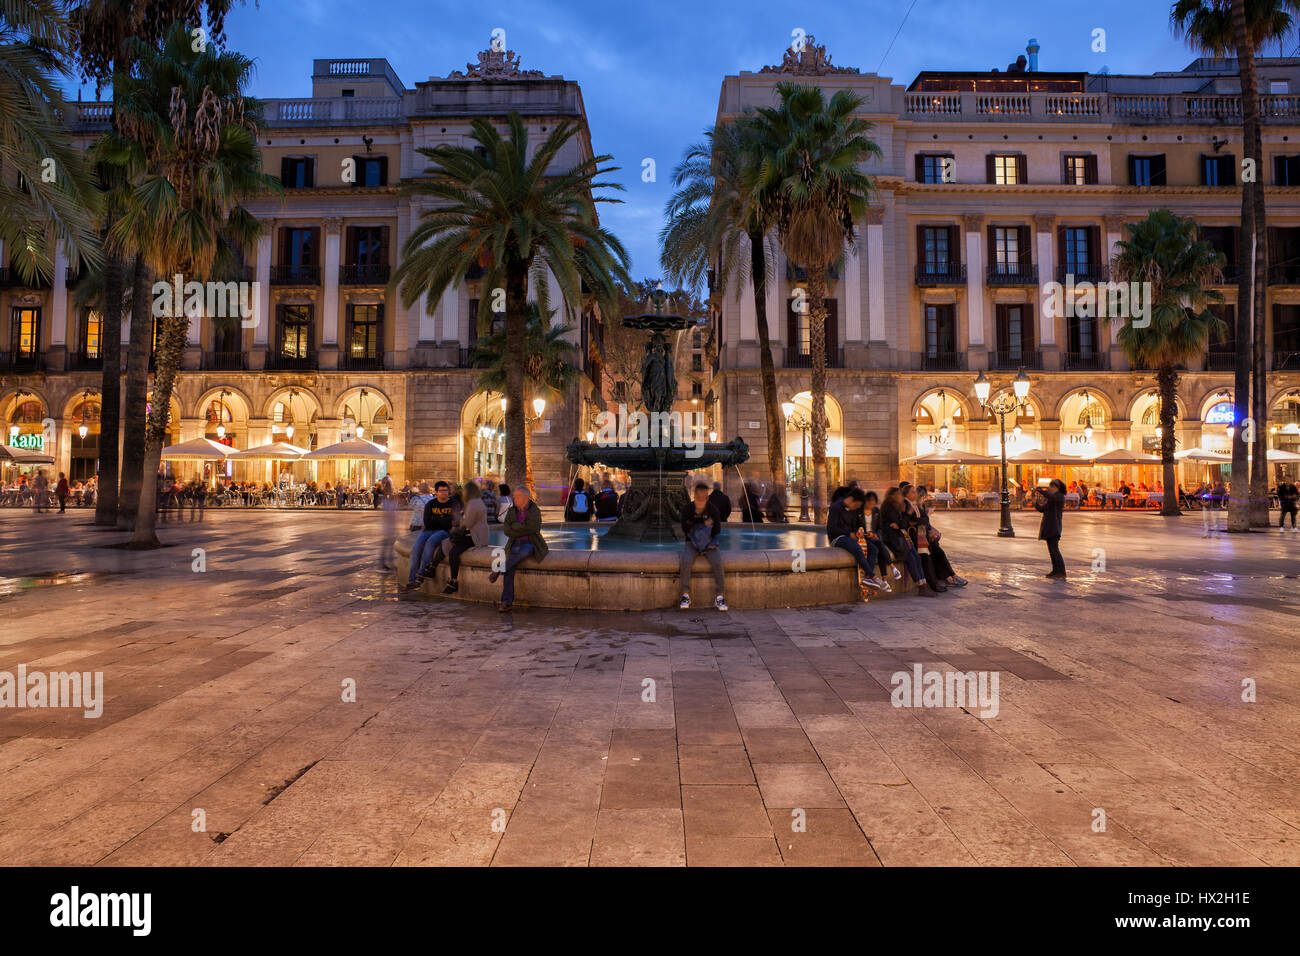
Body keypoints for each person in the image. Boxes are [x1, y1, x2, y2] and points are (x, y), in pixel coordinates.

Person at [492, 486, 548, 612]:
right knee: (510, 567)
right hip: (514, 543)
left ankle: (500, 569)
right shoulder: (512, 511)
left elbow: (533, 528)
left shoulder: (534, 510)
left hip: (531, 543)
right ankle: (506, 602)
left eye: (517, 496)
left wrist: (515, 527)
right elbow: (506, 529)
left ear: (525, 498)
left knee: (524, 552)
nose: (514, 498)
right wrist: (520, 528)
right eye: (514, 496)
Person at [430, 480, 490, 592]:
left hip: (475, 536)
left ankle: (453, 581)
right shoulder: (477, 501)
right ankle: (433, 568)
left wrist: (458, 523)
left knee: (453, 551)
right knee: (448, 542)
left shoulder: (473, 503)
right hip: (474, 534)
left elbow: (468, 523)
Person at [827, 488, 887, 594]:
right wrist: (848, 534)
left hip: (851, 537)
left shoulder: (854, 510)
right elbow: (832, 529)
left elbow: (855, 526)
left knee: (873, 549)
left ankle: (867, 577)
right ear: (851, 499)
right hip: (837, 538)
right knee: (856, 548)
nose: (856, 508)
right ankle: (873, 576)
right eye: (856, 505)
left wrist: (859, 533)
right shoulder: (835, 508)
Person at [678, 481, 727, 611]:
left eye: (703, 498)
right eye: (698, 497)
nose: (700, 500)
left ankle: (720, 596)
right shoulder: (687, 509)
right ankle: (685, 594)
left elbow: (717, 529)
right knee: (686, 561)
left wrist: (694, 526)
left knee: (718, 563)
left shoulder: (713, 509)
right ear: (694, 496)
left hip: (710, 543)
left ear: (707, 497)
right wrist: (704, 524)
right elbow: (684, 527)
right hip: (692, 542)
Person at [880, 486, 936, 596]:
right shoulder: (889, 507)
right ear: (893, 496)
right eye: (899, 495)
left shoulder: (899, 507)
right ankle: (920, 585)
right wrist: (908, 514)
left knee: (917, 557)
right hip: (893, 539)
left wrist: (903, 521)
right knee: (911, 558)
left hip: (901, 537)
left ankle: (923, 584)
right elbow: (903, 523)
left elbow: (903, 524)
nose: (901, 497)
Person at [405, 481, 458, 589]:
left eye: (446, 490)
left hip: (444, 531)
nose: (444, 493)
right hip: (428, 530)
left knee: (431, 541)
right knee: (416, 548)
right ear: (436, 492)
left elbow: (454, 521)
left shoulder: (454, 503)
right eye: (441, 491)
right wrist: (444, 519)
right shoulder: (431, 504)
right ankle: (412, 579)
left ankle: (421, 573)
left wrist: (439, 520)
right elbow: (427, 522)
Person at [914, 486, 967, 588]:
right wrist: (928, 515)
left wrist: (931, 531)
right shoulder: (913, 507)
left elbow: (925, 524)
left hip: (923, 535)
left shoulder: (921, 506)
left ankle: (951, 576)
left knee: (938, 551)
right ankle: (948, 577)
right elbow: (918, 522)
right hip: (919, 537)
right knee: (933, 552)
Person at [1033, 478, 1067, 580]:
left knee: (1055, 550)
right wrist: (1035, 503)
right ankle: (1055, 570)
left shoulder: (1059, 497)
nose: (1049, 488)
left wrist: (1040, 491)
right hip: (1048, 526)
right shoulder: (1052, 498)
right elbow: (1043, 509)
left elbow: (1051, 497)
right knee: (1051, 550)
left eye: (1051, 486)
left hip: (1054, 526)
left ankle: (1061, 571)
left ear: (1056, 487)